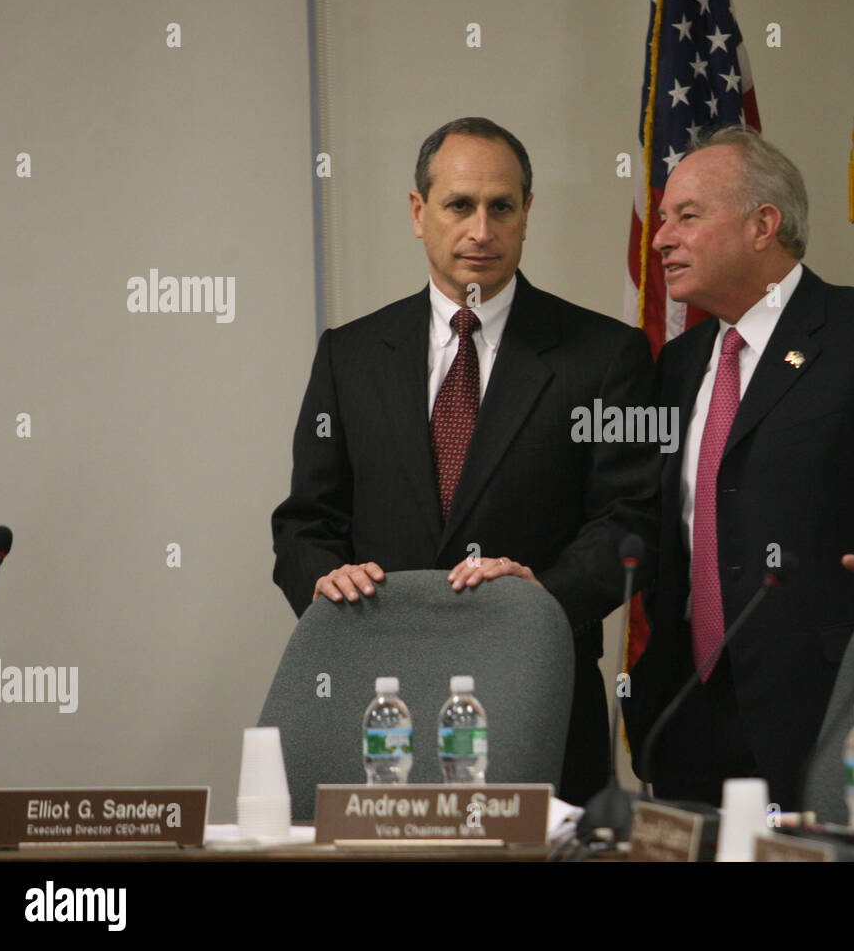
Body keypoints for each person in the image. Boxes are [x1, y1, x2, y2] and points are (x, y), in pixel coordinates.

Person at [271, 117, 658, 805]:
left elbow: (629, 524)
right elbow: (303, 525)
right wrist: (329, 579)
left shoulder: (604, 355)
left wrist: (536, 596)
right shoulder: (350, 356)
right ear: (419, 214)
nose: (481, 229)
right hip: (375, 699)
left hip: (538, 697)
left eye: (501, 207)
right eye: (459, 205)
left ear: (526, 214)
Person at [624, 126, 854, 811]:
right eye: (663, 219)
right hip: (687, 714)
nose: (661, 238)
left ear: (764, 225)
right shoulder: (677, 365)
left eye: (687, 217)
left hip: (825, 708)